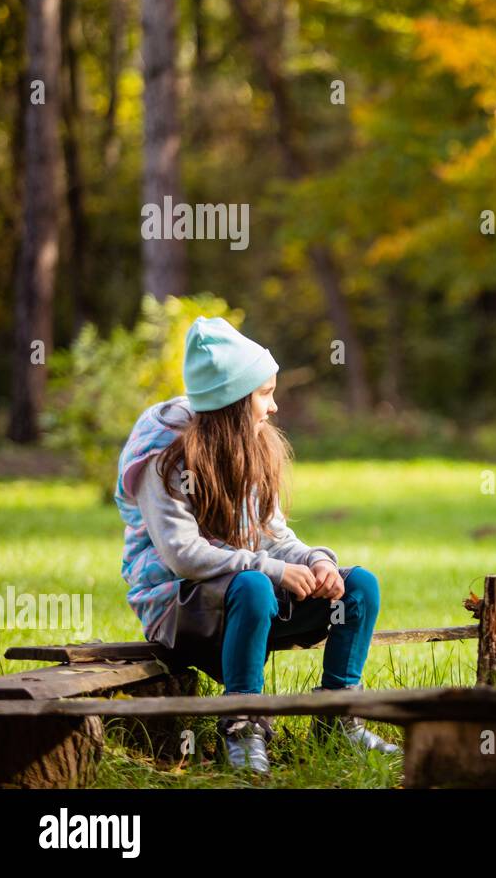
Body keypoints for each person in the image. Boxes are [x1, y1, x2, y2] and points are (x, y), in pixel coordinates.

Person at [114, 317, 398, 772]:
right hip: (178, 609)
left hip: (246, 599)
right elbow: (181, 555)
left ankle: (338, 718)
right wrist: (271, 570)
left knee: (358, 586)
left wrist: (314, 560)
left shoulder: (247, 444)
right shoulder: (164, 455)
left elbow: (271, 532)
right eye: (264, 394)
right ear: (232, 399)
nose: (274, 407)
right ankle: (243, 724)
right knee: (254, 584)